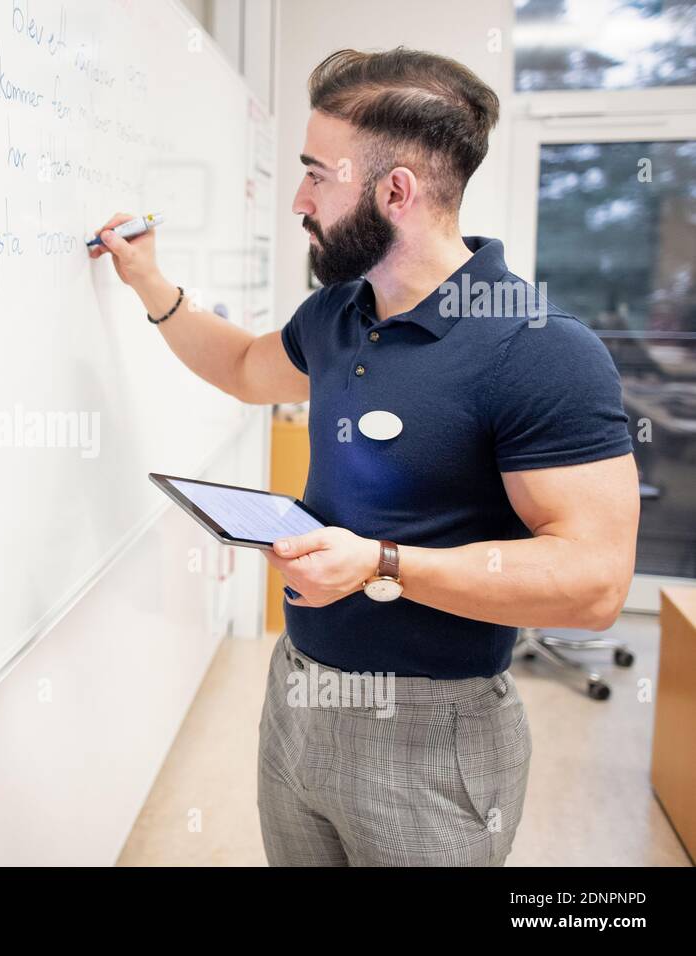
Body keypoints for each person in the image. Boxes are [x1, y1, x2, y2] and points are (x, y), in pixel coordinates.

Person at [90, 47, 639, 866]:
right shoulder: (340, 311)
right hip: (299, 691)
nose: (298, 201)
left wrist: (381, 563)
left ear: (396, 191)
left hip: (431, 731)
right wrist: (149, 286)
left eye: (317, 174)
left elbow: (595, 583)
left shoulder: (540, 349)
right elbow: (245, 368)